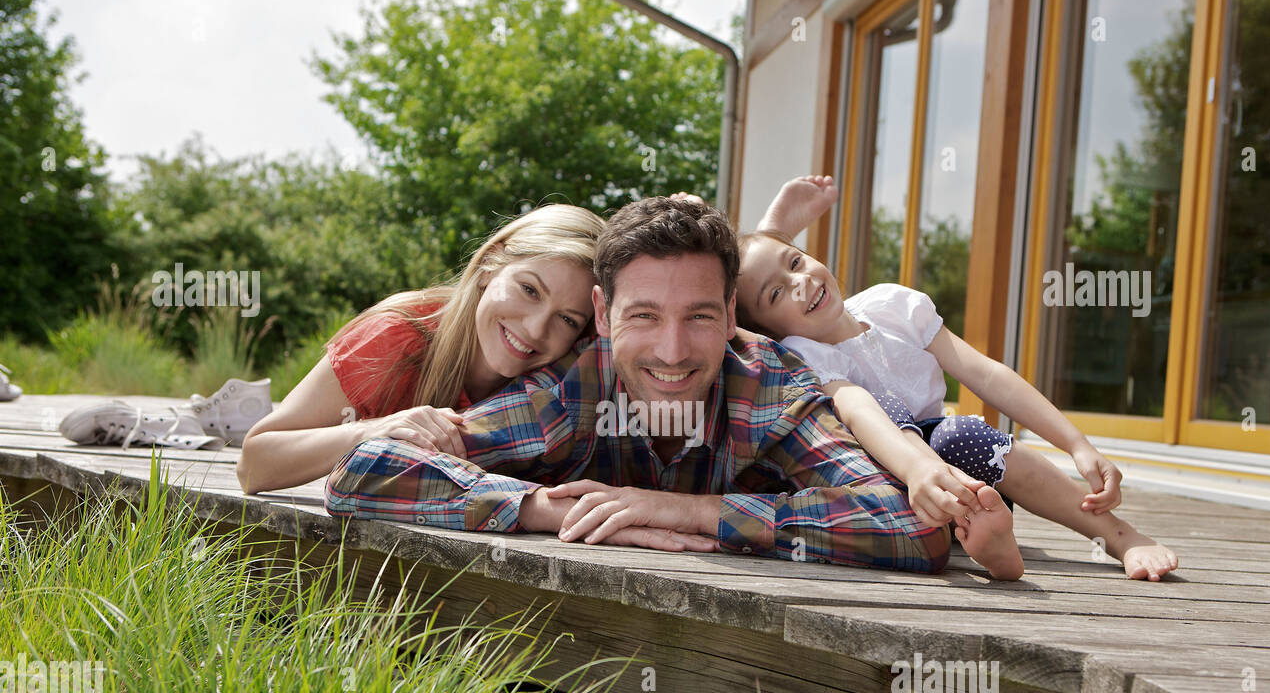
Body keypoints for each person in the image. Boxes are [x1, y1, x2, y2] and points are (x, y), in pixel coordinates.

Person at [323, 195, 953, 571]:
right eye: (644, 317)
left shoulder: (770, 388)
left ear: (732, 316)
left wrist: (692, 513)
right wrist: (540, 509)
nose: (673, 352)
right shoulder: (573, 389)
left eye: (700, 317)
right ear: (602, 315)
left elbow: (915, 528)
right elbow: (364, 470)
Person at [735, 175, 1179, 581]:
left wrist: (1077, 443)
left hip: (968, 475)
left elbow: (985, 373)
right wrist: (920, 471)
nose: (799, 282)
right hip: (891, 482)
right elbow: (858, 409)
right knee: (883, 408)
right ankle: (983, 539)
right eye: (776, 293)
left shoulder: (893, 306)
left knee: (958, 430)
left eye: (796, 262)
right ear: (771, 330)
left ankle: (1115, 535)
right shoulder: (802, 354)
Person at [235, 203, 606, 494]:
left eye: (568, 319)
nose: (535, 327)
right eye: (529, 290)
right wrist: (370, 431)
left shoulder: (569, 379)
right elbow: (253, 465)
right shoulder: (398, 335)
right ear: (491, 264)